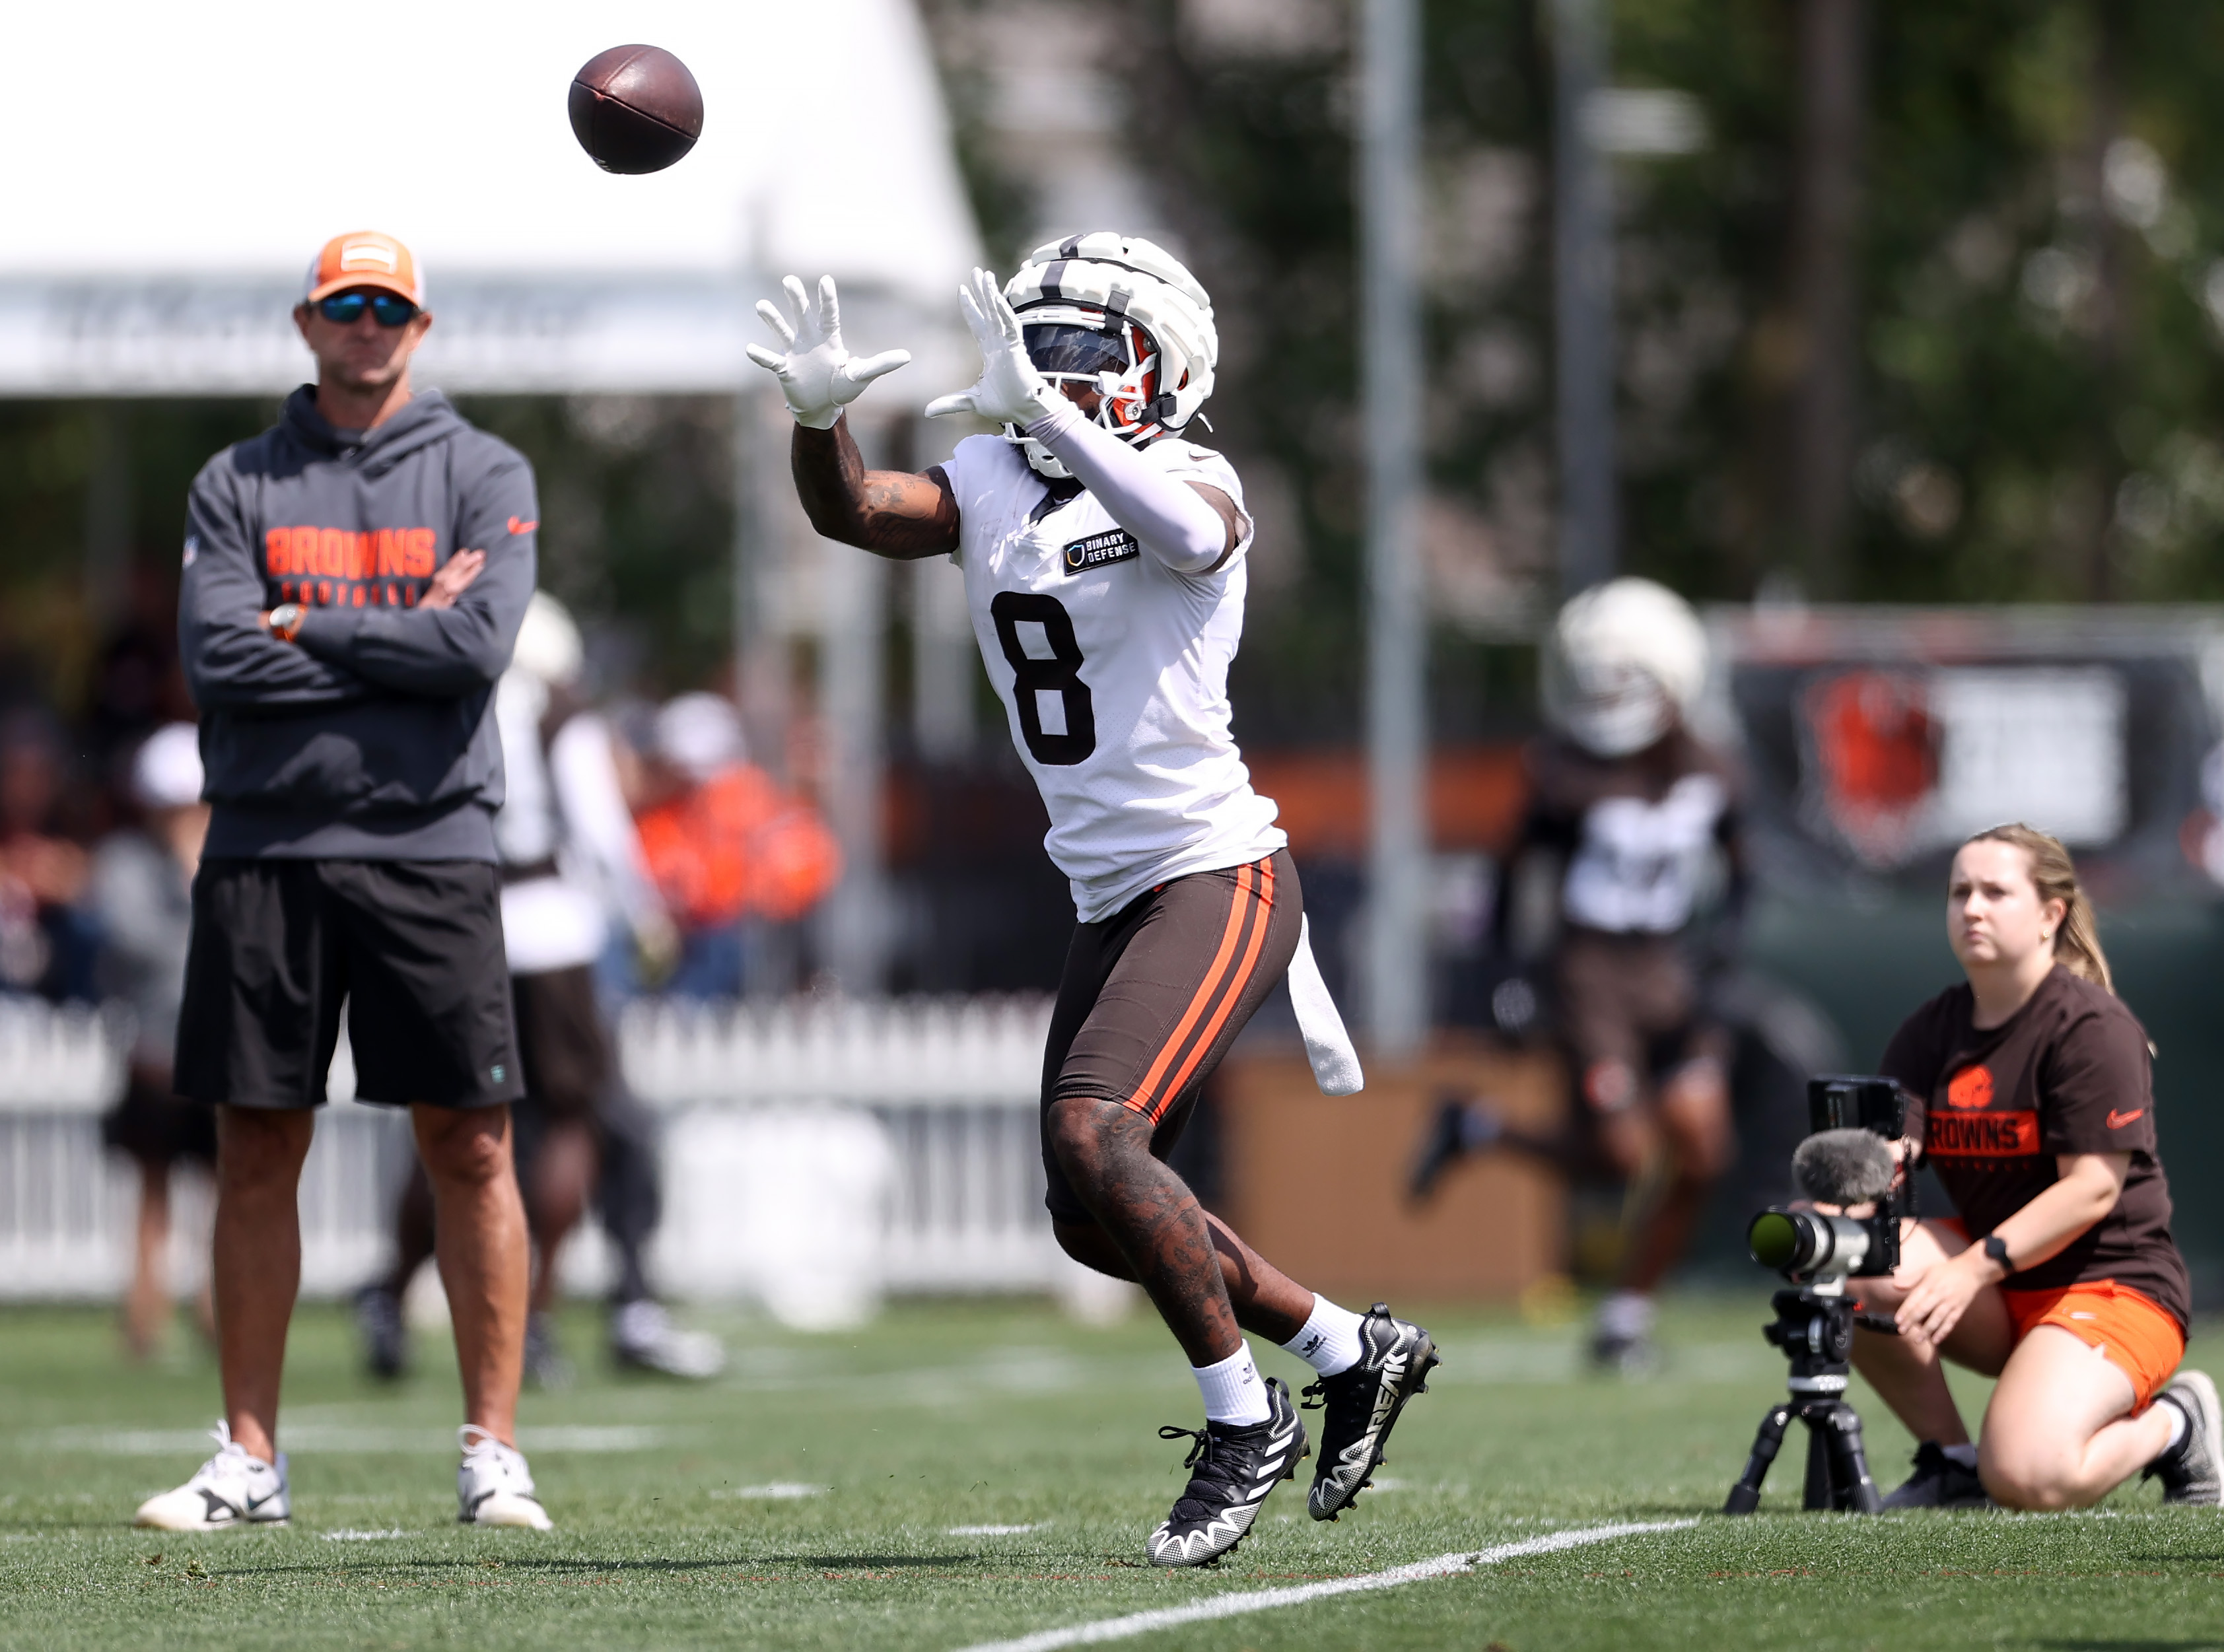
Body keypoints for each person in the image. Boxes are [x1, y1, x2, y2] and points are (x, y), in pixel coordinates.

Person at [748, 236, 1434, 1568]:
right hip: (1114, 891)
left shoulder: (1193, 476)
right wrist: (818, 420)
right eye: (1037, 345)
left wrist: (1047, 409)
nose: (1050, 373)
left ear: (1162, 373)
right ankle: (1350, 1350)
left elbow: (1184, 534)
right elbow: (856, 513)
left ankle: (1242, 1421)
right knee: (1085, 1208)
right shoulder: (997, 473)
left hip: (1214, 871)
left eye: (1082, 354)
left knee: (1093, 1131)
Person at [133, 230, 549, 1532]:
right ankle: (248, 1458)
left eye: (390, 307)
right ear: (307, 323)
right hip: (264, 845)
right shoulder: (235, 481)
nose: (367, 326)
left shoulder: (484, 471)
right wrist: (395, 641)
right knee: (255, 1145)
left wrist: (303, 621)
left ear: (419, 329)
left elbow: (478, 643)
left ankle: (494, 1451)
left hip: (431, 844)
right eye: (344, 306)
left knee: (470, 1145)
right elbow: (220, 660)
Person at [355, 592, 722, 1385]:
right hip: (550, 932)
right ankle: (533, 1313)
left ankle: (390, 1292)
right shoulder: (559, 714)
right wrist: (647, 916)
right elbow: (598, 829)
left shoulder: (436, 701)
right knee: (572, 1120)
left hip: (457, 930)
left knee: (456, 1127)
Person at [1408, 578, 1742, 1374]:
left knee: (1701, 1148)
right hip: (1589, 978)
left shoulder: (1710, 769)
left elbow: (1742, 871)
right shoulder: (1562, 770)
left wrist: (1720, 953)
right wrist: (1502, 975)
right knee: (1623, 1157)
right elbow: (1505, 876)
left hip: (1669, 973)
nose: (1605, 696)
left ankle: (1625, 1315)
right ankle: (1475, 1131)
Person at [1850, 823, 2216, 1511]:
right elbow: (1886, 1152)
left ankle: (2176, 1423)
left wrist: (1970, 1267)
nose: (1971, 909)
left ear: (2051, 914)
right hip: (2001, 1290)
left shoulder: (2089, 1028)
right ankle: (1952, 1463)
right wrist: (1852, 1193)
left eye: (1994, 892)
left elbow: (2091, 1191)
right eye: (1959, 892)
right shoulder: (1930, 1029)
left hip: (2112, 1288)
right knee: (1849, 1254)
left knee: (2027, 1477)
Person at [93, 722, 217, 1359]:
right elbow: (129, 942)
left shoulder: (231, 858)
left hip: (218, 1049)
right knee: (151, 1193)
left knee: (226, 1192)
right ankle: (144, 1316)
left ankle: (218, 1315)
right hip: (152, 1052)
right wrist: (184, 876)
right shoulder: (123, 862)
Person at [631, 692, 841, 999]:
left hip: (749, 938)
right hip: (696, 940)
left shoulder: (753, 798)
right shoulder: (666, 816)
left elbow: (804, 869)